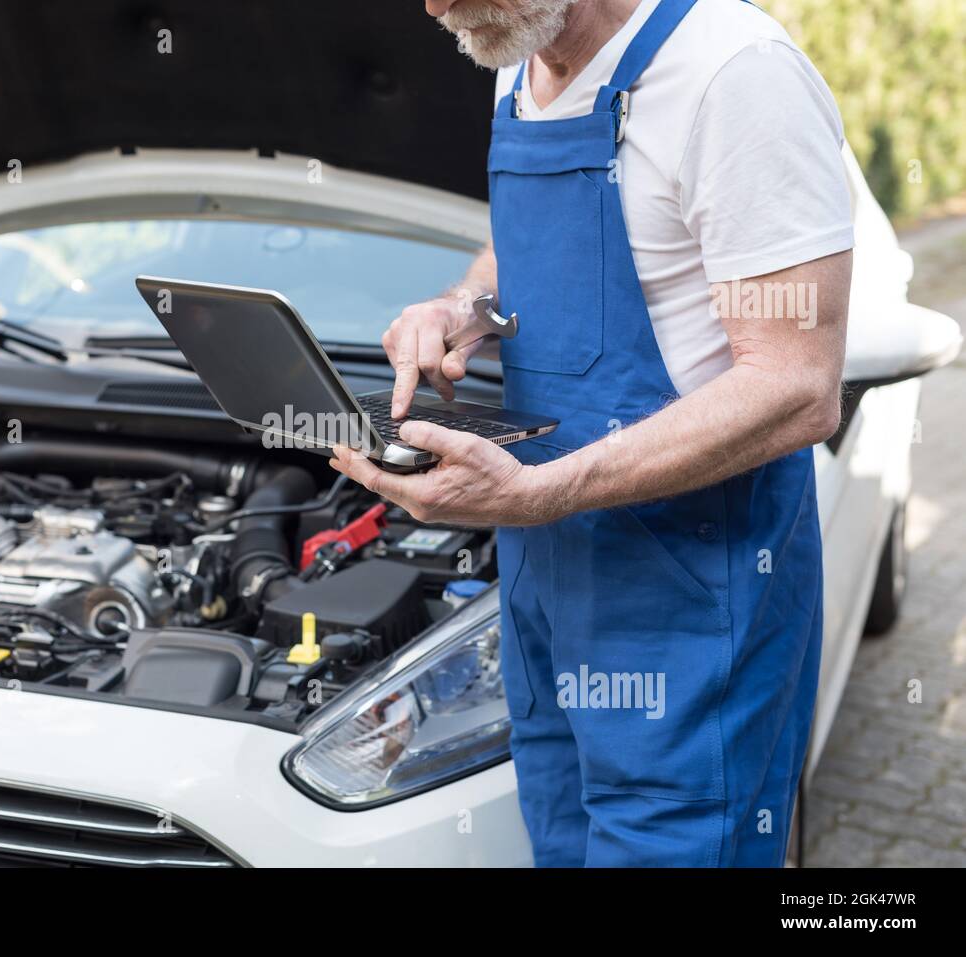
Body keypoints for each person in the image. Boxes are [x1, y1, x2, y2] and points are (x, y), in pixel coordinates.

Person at [330, 0, 854, 865]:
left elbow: (797, 386)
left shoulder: (736, 75)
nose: (436, 8)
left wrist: (539, 491)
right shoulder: (517, 51)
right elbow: (514, 248)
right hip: (546, 595)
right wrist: (464, 307)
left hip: (693, 613)